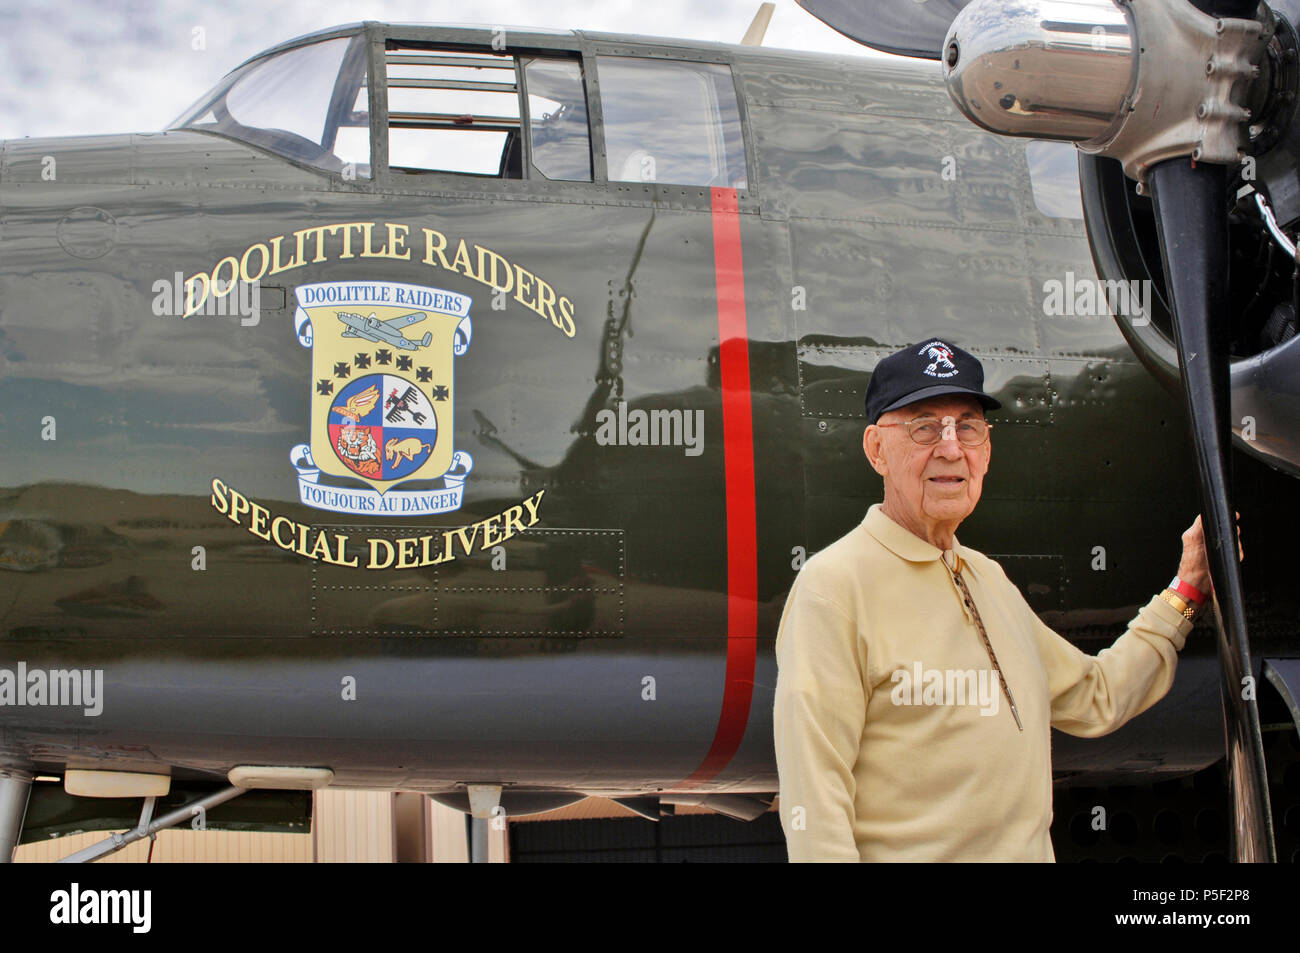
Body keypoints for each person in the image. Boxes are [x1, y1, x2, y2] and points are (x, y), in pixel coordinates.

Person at [773, 337, 1221, 862]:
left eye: (967, 426)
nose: (950, 448)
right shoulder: (833, 587)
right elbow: (815, 803)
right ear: (876, 449)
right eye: (923, 426)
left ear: (986, 449)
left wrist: (1188, 587)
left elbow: (1096, 697)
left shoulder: (987, 578)